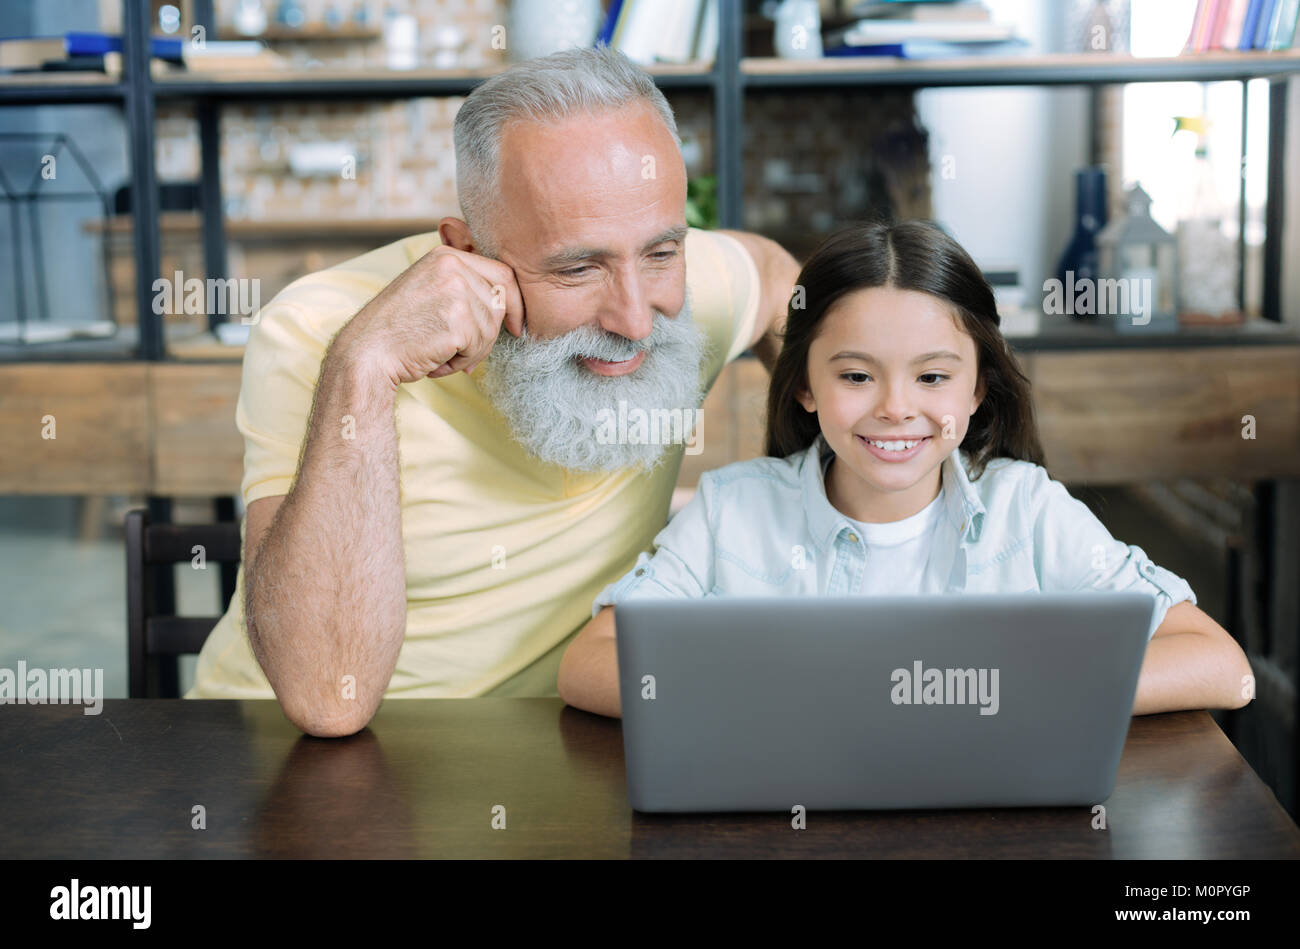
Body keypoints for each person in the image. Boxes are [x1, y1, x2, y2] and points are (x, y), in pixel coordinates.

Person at [185, 45, 801, 737]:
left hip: (557, 760)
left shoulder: (682, 295)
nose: (633, 319)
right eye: (577, 269)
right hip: (294, 764)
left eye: (661, 252)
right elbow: (329, 701)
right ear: (466, 254)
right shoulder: (317, 331)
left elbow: (784, 284)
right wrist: (366, 365)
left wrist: (809, 498)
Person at [558, 220, 1254, 719]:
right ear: (804, 384)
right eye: (857, 374)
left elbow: (1222, 668)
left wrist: (1017, 690)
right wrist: (791, 691)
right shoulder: (731, 512)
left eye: (932, 376)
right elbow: (590, 664)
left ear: (978, 389)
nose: (896, 408)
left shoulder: (1028, 511)